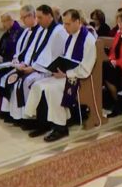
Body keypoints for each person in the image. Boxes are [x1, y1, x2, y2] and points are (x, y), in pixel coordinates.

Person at [23, 9, 98, 142]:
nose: (65, 27)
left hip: (78, 78)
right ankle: (43, 123)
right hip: (65, 74)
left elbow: (86, 68)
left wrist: (66, 74)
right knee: (38, 85)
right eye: (64, 23)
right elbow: (66, 58)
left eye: (68, 24)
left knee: (53, 89)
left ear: (77, 22)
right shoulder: (70, 36)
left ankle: (61, 127)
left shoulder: (88, 39)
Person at [0, 5, 68, 123]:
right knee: (16, 79)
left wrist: (34, 68)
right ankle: (20, 116)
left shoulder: (58, 31)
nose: (38, 20)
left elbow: (55, 56)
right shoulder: (45, 30)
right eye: (37, 17)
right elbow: (35, 51)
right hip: (38, 67)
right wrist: (27, 65)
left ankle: (34, 119)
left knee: (27, 82)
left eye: (40, 17)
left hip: (50, 71)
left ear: (49, 16)